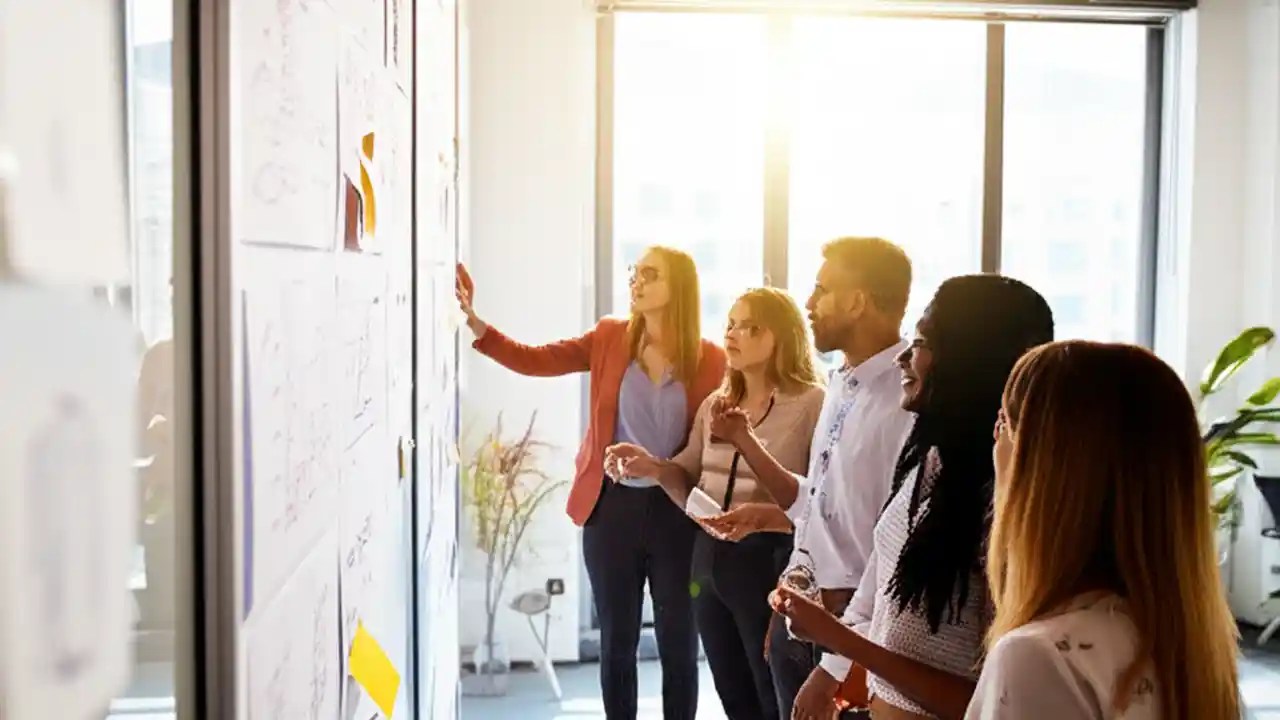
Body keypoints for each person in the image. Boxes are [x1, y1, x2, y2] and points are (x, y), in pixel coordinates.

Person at [456, 247, 727, 720]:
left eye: (649, 274)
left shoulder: (710, 360)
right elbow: (537, 360)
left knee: (680, 645)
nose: (636, 282)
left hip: (677, 515)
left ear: (678, 287)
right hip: (611, 511)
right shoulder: (609, 337)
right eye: (634, 272)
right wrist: (478, 325)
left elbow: (714, 444)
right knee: (617, 644)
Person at [773, 274, 1054, 719]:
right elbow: (877, 585)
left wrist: (841, 641)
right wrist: (828, 673)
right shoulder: (929, 460)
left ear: (966, 360)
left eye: (921, 343)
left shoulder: (1007, 501)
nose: (904, 357)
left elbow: (989, 700)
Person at [966, 341, 1240, 719]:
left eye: (1006, 426)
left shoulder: (1038, 656)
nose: (996, 446)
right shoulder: (1195, 655)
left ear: (1047, 474)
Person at [705, 237, 917, 720]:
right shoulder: (842, 381)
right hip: (801, 615)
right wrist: (788, 596)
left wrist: (838, 664)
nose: (809, 304)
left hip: (852, 639)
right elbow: (818, 505)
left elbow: (892, 548)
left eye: (821, 290)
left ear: (857, 301)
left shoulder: (905, 400)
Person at [605, 288, 826, 720]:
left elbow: (820, 500)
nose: (734, 333)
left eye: (751, 326)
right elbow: (684, 477)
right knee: (732, 694)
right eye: (731, 323)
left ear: (783, 337)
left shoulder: (812, 403)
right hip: (707, 562)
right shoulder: (715, 404)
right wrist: (651, 466)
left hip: (771, 563)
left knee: (774, 693)